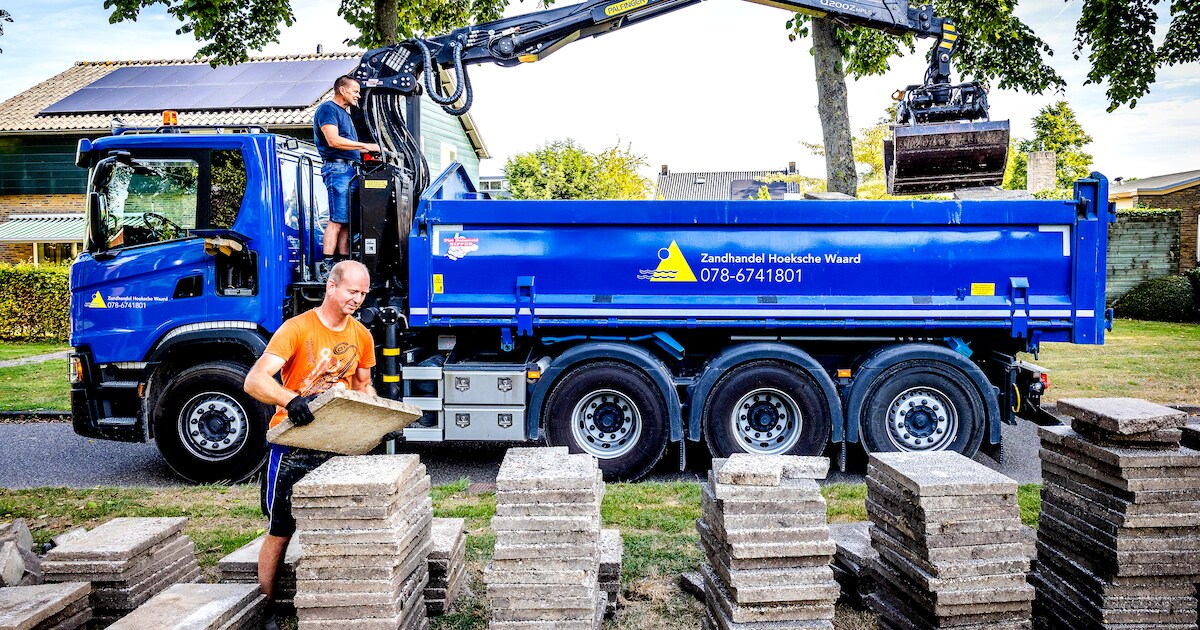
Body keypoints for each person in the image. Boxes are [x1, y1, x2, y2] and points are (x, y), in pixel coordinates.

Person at [243, 260, 376, 627]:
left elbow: (364, 388)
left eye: (364, 294)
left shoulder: (362, 335)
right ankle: (266, 607)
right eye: (353, 292)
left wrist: (378, 421)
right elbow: (255, 381)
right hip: (292, 445)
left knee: (340, 526)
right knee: (280, 530)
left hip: (336, 445)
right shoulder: (297, 329)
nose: (358, 300)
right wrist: (290, 399)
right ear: (331, 287)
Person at [313, 76, 380, 277]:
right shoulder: (328, 110)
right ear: (342, 90)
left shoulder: (345, 114)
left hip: (351, 170)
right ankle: (326, 265)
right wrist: (366, 145)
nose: (358, 96)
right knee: (337, 219)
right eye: (355, 91)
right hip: (338, 169)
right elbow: (333, 140)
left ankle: (342, 264)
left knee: (347, 221)